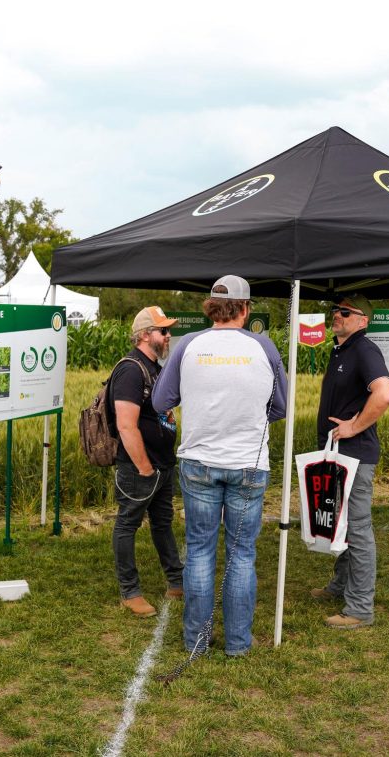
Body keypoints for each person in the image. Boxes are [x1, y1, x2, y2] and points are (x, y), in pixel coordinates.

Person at [153, 275, 287, 657]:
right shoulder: (264, 347)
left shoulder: (189, 344)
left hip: (199, 462)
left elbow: (161, 399)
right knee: (242, 553)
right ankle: (238, 645)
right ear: (246, 309)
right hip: (249, 463)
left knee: (199, 551)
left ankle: (196, 642)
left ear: (211, 307)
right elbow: (280, 406)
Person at [310, 294, 389, 629]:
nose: (336, 315)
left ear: (363, 320)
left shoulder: (364, 349)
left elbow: (385, 393)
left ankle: (359, 608)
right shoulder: (341, 349)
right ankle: (340, 586)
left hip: (355, 454)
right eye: (335, 310)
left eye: (345, 312)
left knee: (357, 529)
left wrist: (354, 426)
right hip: (336, 453)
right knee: (340, 524)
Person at [111, 306, 183, 617]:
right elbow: (126, 425)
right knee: (127, 524)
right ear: (144, 335)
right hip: (140, 467)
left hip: (162, 466)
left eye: (168, 331)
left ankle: (176, 580)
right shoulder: (130, 369)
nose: (168, 336)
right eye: (163, 331)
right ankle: (130, 591)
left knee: (162, 524)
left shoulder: (155, 367)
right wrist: (143, 468)